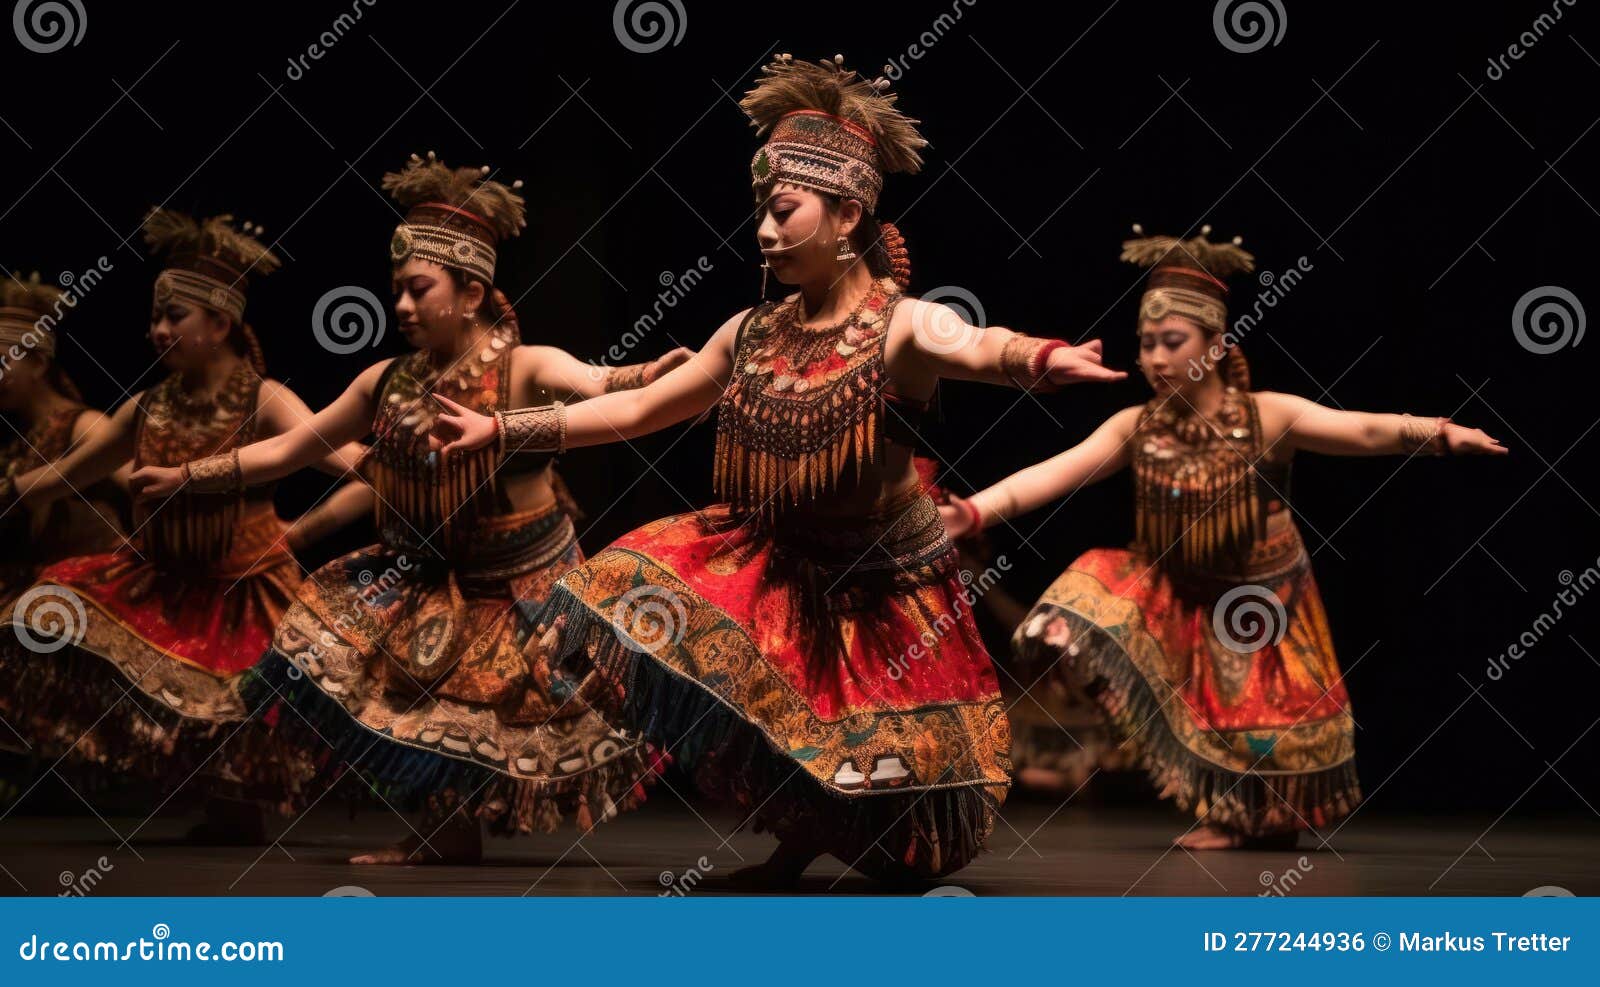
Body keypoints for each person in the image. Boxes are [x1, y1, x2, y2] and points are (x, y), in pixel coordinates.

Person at [428, 55, 1126, 886]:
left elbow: (971, 343)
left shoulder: (900, 325)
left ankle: (856, 851)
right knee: (657, 611)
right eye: (760, 209)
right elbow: (642, 410)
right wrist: (506, 426)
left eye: (783, 209)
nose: (762, 230)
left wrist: (1040, 359)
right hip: (783, 564)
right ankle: (793, 844)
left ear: (848, 213)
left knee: (899, 835)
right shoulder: (750, 330)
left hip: (883, 576)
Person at [133, 154, 691, 863]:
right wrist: (187, 475)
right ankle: (445, 833)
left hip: (523, 579)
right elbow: (286, 452)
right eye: (395, 290)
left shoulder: (524, 365)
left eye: (417, 289)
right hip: (430, 571)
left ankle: (460, 828)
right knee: (375, 670)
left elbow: (598, 380)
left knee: (505, 706)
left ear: (472, 292)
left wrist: (651, 373)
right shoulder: (384, 381)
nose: (399, 306)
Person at [940, 227, 1508, 849]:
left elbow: (1363, 432)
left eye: (1172, 342)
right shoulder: (1137, 426)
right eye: (1146, 343)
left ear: (1215, 344)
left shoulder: (1269, 416)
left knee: (1270, 722)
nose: (1155, 358)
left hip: (1270, 596)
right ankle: (1229, 818)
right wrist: (974, 512)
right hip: (1186, 589)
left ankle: (1262, 822)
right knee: (1106, 591)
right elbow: (1053, 473)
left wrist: (1439, 433)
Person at [3, 212, 370, 841]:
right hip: (163, 582)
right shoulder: (145, 406)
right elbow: (68, 473)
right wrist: (13, 488)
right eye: (154, 317)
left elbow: (363, 474)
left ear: (221, 323)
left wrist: (298, 534)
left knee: (244, 716)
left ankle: (239, 817)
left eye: (174, 317)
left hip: (246, 589)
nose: (157, 330)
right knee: (36, 611)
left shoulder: (265, 400)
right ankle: (213, 809)